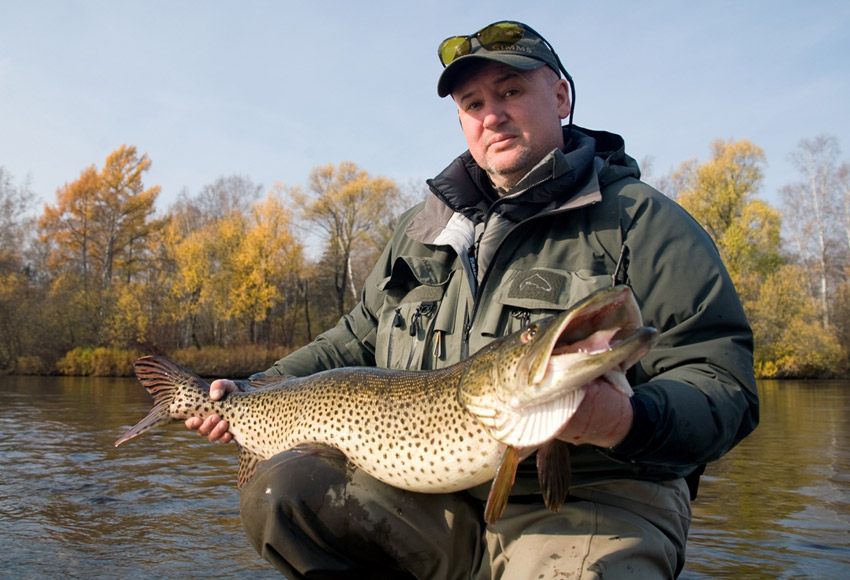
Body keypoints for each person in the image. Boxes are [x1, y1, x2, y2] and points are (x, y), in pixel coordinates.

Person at [187, 20, 758, 579]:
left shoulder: (644, 221)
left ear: (560, 97)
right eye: (472, 102)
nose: (492, 115)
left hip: (595, 499)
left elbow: (722, 384)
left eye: (511, 92)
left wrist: (623, 422)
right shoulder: (420, 229)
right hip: (430, 501)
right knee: (282, 492)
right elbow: (356, 336)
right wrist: (255, 387)